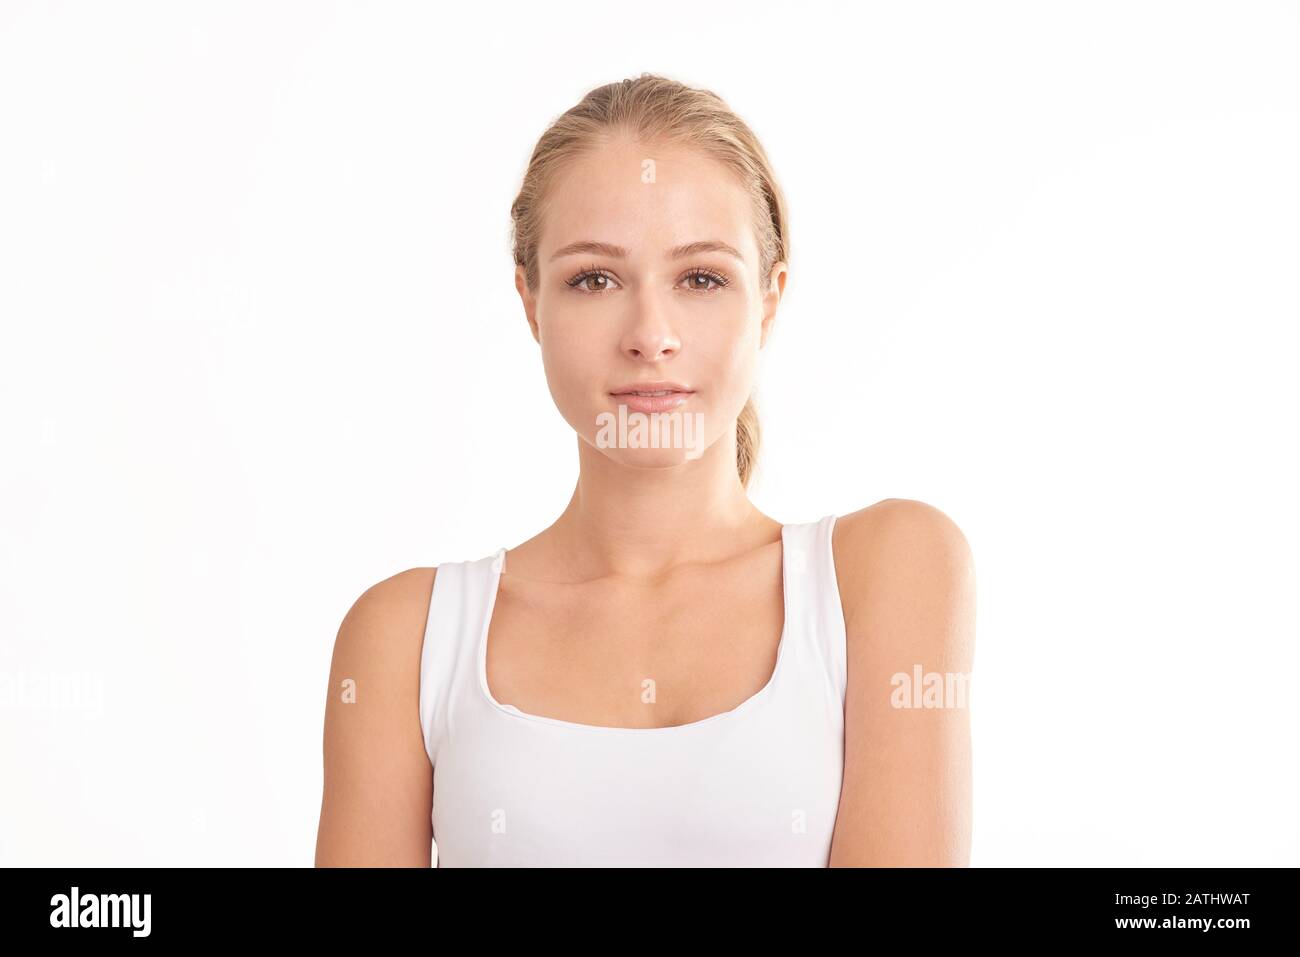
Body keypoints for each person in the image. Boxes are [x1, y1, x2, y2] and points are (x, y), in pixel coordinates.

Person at [315, 73, 975, 867]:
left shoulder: (888, 571)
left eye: (701, 278)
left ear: (769, 301)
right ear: (530, 303)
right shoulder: (406, 638)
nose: (650, 334)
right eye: (594, 278)